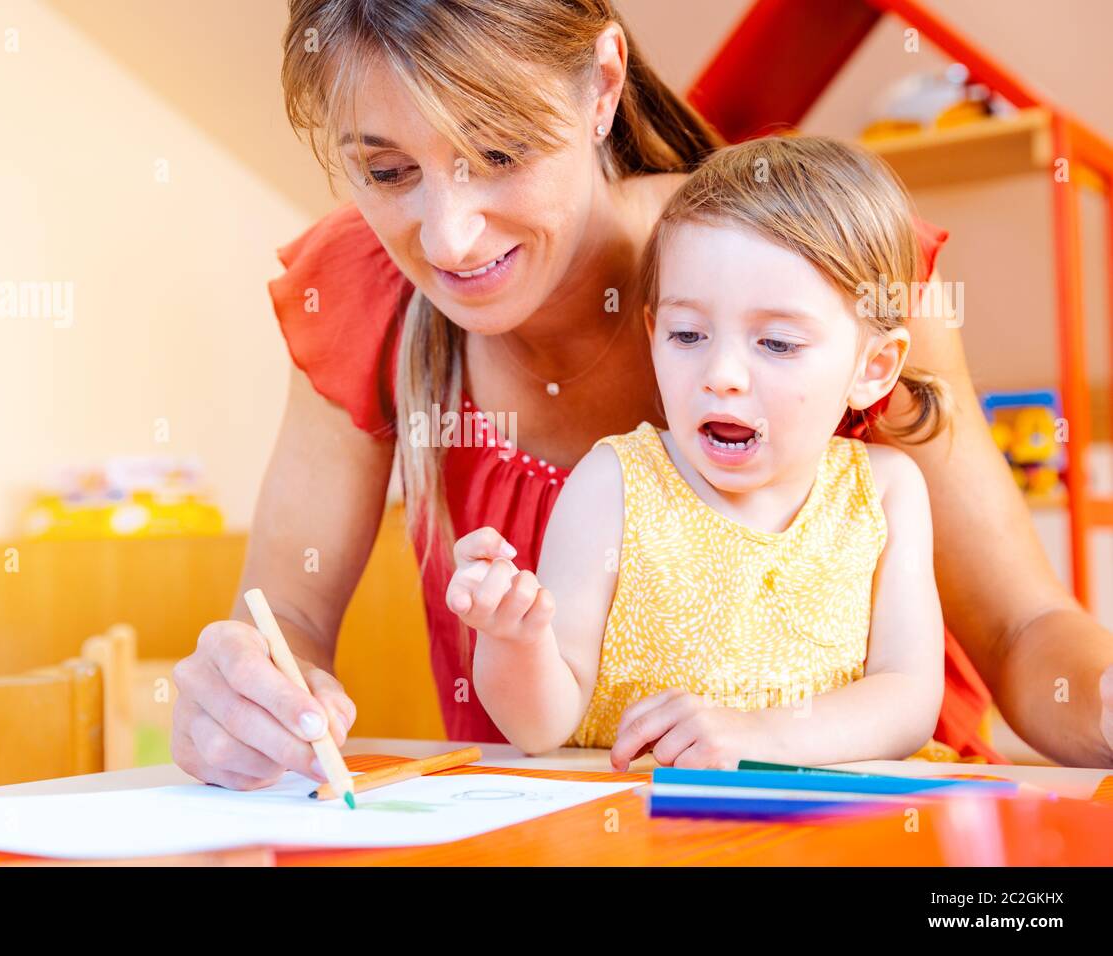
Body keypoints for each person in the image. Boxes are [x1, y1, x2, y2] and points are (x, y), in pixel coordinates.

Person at [171, 1, 1113, 791]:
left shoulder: (820, 272)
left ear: (601, 82)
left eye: (499, 151)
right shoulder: (365, 294)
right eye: (387, 170)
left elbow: (1026, 629)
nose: (449, 239)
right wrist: (249, 698)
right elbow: (283, 624)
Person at [446, 136, 947, 769]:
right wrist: (511, 638)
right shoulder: (615, 484)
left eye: (778, 343)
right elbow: (541, 727)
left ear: (873, 368)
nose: (723, 374)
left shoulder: (885, 492)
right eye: (688, 334)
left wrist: (760, 737)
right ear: (654, 335)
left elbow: (908, 699)